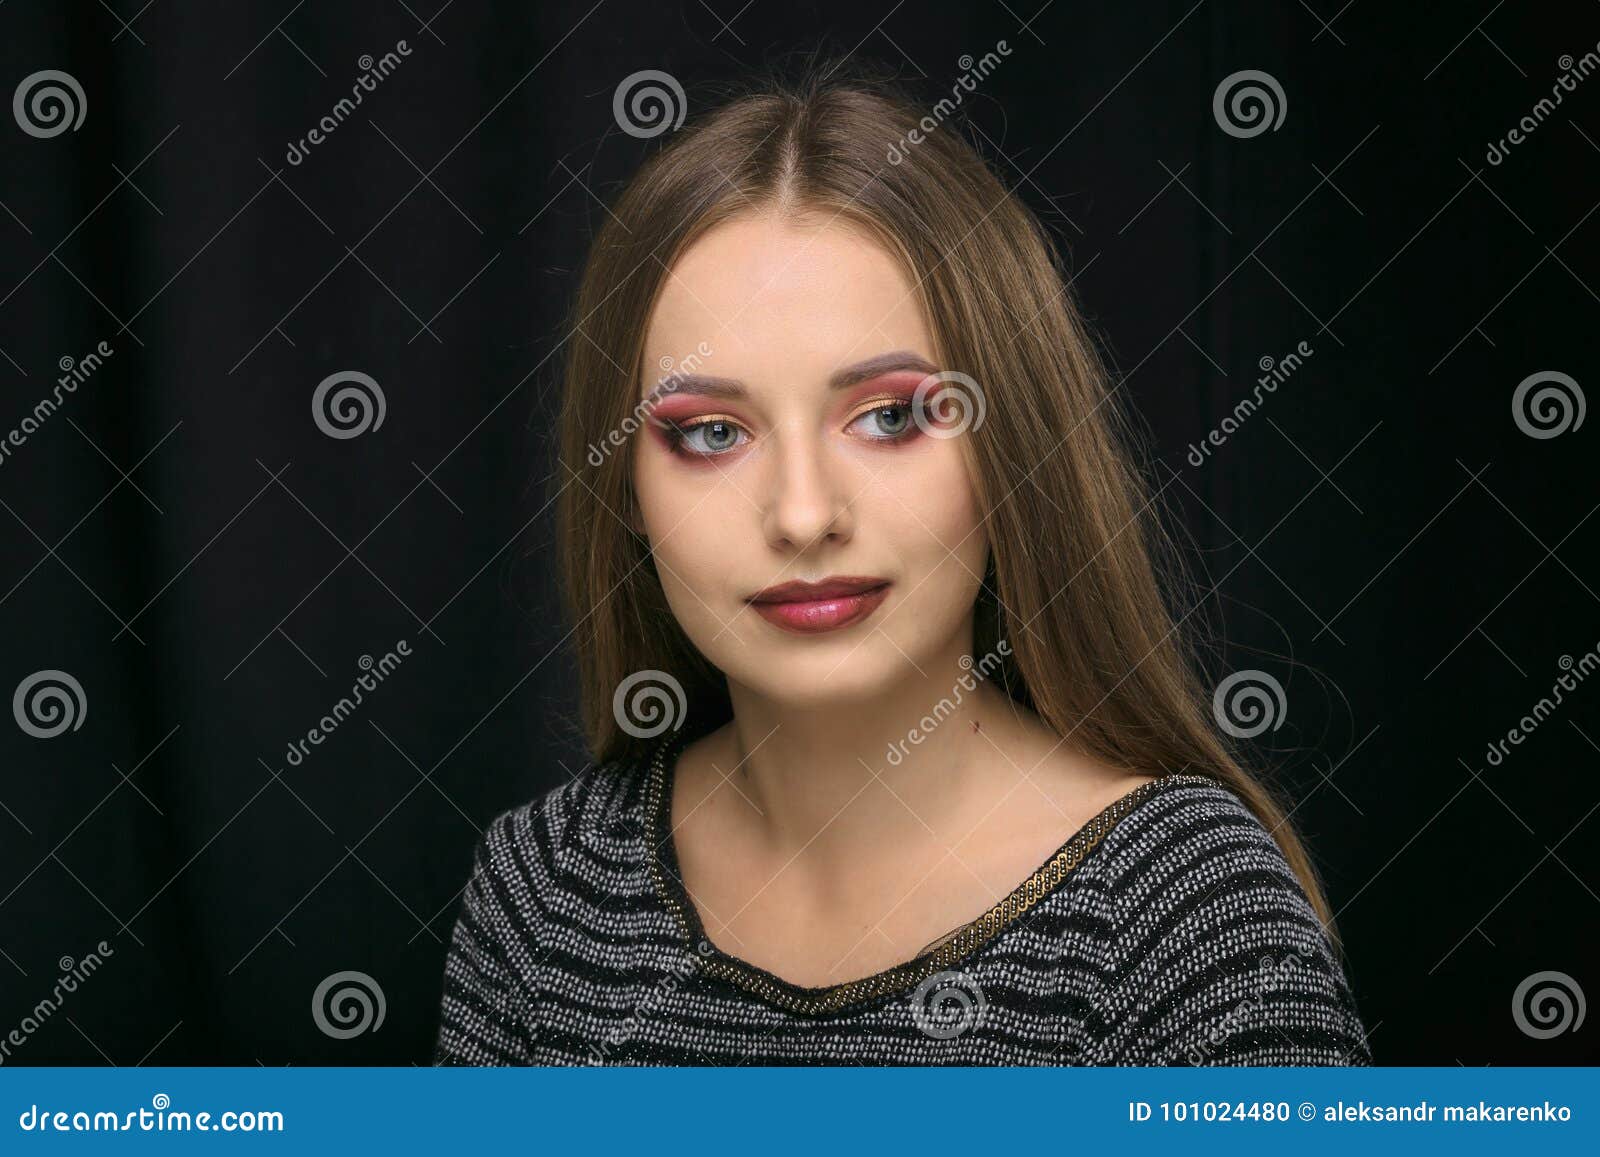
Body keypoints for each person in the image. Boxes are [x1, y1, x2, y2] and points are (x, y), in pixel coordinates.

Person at [431, 60, 1372, 1066]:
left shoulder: (1188, 916)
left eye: (888, 417)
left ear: (1012, 442)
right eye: (710, 433)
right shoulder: (543, 888)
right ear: (623, 483)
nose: (802, 514)